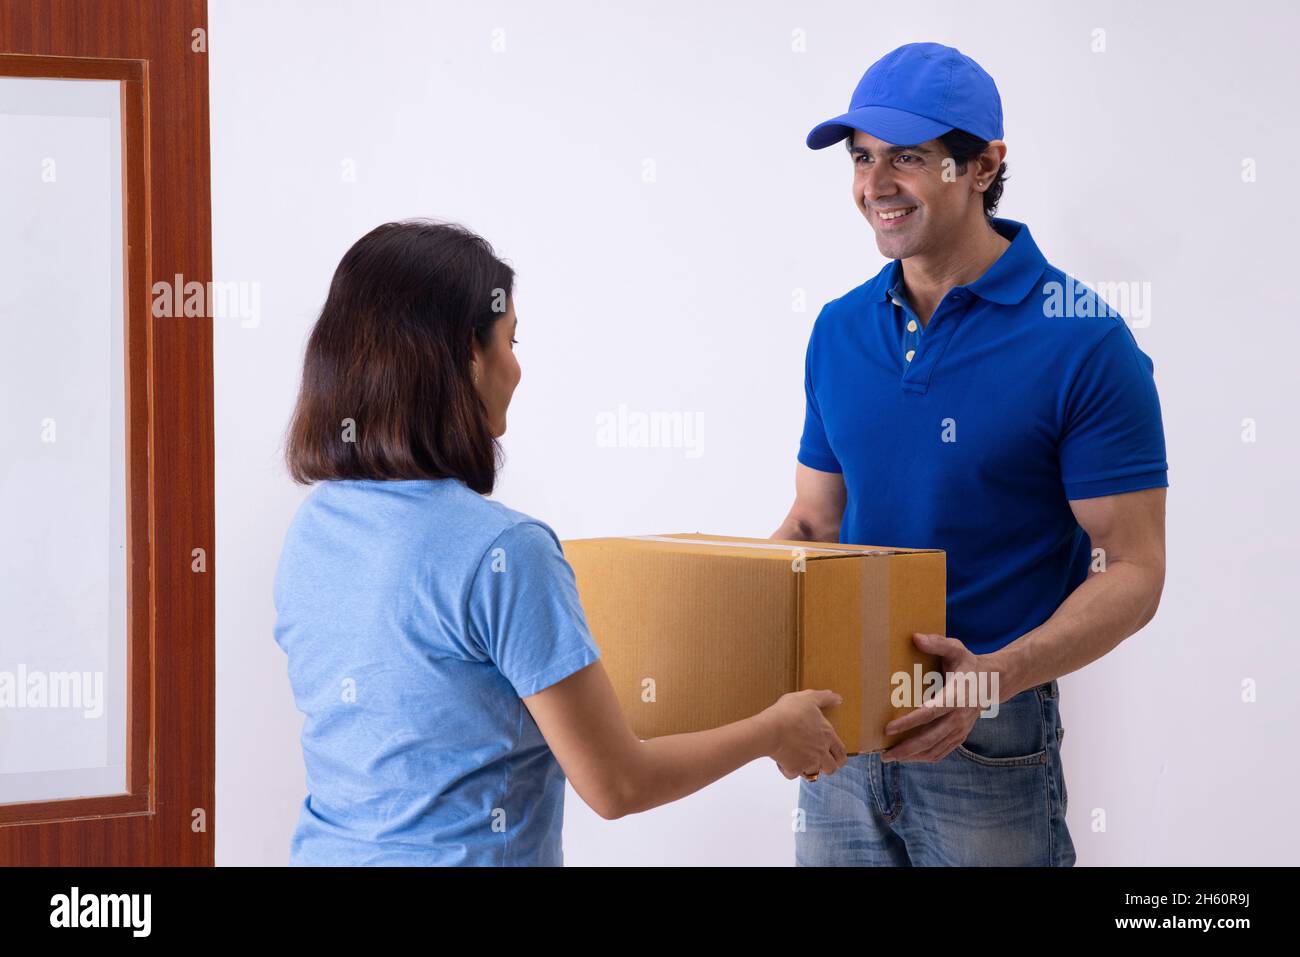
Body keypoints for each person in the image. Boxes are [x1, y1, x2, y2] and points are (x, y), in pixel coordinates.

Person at [273, 219, 847, 866]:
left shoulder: (314, 528)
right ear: (467, 354)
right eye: (511, 340)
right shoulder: (506, 551)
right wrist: (774, 730)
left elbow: (437, 707)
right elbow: (618, 783)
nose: (517, 368)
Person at [773, 42, 1168, 866]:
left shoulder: (1084, 340)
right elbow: (815, 520)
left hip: (990, 737)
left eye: (908, 158)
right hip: (839, 731)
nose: (874, 185)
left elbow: (1134, 569)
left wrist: (993, 677)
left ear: (983, 166)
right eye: (861, 158)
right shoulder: (839, 330)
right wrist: (737, 651)